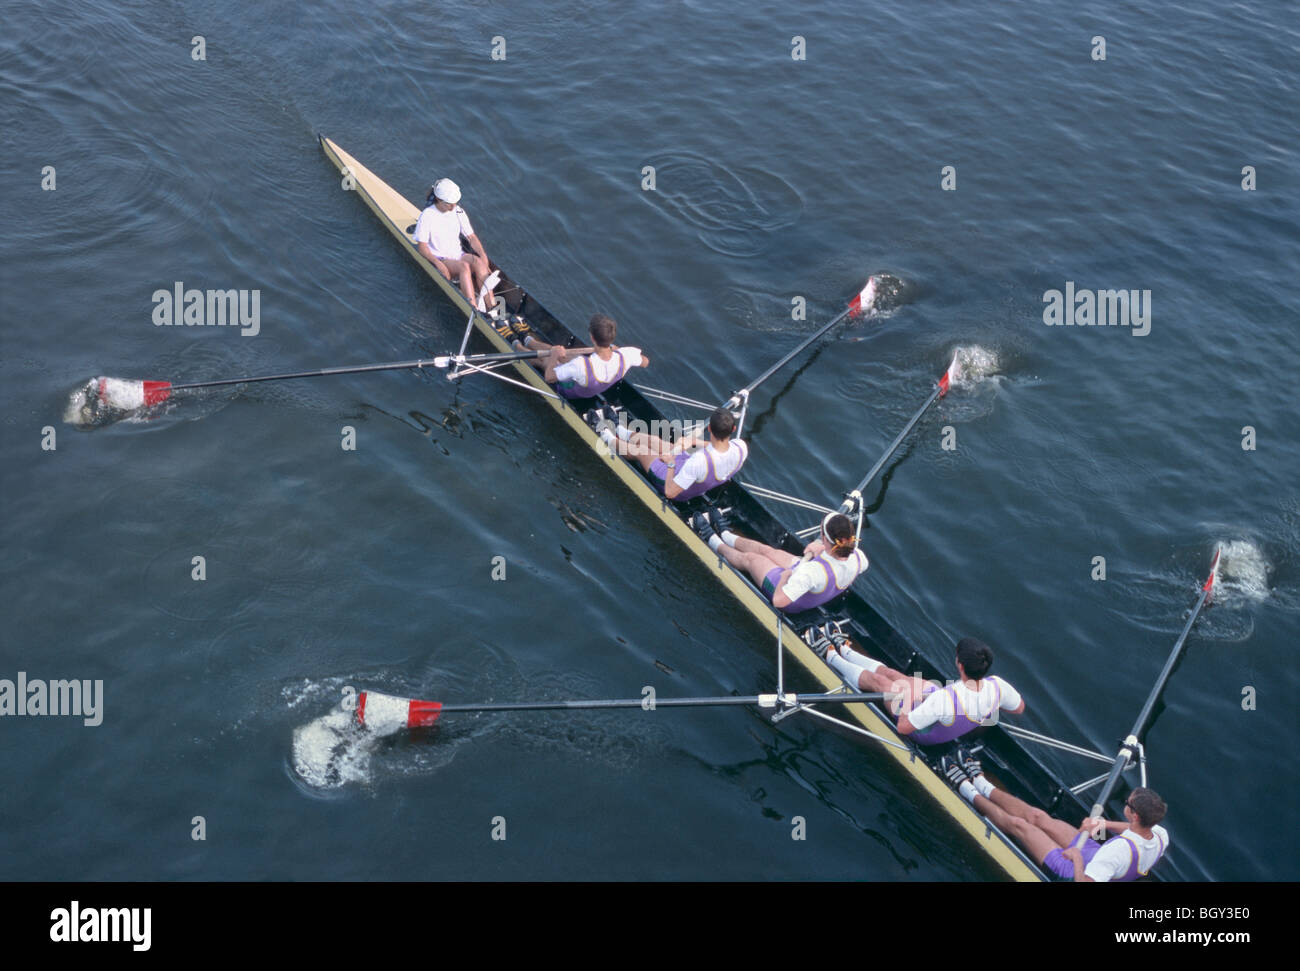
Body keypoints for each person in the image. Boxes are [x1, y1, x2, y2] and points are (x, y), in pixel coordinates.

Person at [945, 750, 1170, 881]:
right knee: (1039, 817)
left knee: (1021, 826)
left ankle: (966, 787)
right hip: (1097, 854)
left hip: (1075, 872)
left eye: (1127, 803)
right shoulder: (1160, 833)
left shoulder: (1115, 852)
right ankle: (982, 782)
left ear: (1136, 816)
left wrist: (1077, 858)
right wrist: (1103, 823)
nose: (1125, 803)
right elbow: (1130, 830)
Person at [814, 632, 1023, 742]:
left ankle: (830, 655)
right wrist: (989, 706)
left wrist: (910, 700)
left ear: (959, 664)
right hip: (948, 711)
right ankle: (845, 650)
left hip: (926, 734)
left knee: (883, 683)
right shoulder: (998, 686)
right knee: (895, 675)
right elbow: (1018, 708)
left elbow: (903, 728)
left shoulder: (944, 699)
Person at [701, 512, 867, 613]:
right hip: (808, 572)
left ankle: (714, 541)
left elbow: (779, 601)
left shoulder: (812, 573)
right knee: (768, 551)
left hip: (790, 598)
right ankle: (726, 535)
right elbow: (840, 565)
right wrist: (823, 550)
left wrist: (785, 577)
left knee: (752, 559)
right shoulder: (859, 557)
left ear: (824, 538)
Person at [601, 406, 747, 502]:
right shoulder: (741, 447)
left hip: (677, 489)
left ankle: (605, 435)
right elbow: (718, 446)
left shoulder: (699, 460)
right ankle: (621, 430)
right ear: (733, 429)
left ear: (709, 428)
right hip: (694, 472)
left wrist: (670, 463)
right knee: (655, 441)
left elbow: (670, 493)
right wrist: (694, 442)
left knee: (642, 452)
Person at [505, 313, 648, 399]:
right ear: (612, 338)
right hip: (591, 385)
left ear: (592, 338)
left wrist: (554, 356)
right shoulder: (626, 355)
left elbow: (549, 378)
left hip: (568, 391)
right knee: (562, 354)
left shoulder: (580, 364)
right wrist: (617, 350)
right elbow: (645, 362)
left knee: (548, 359)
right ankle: (527, 339)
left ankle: (516, 343)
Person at [413, 178, 499, 315]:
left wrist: (483, 255)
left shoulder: (458, 211)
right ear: (439, 200)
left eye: (455, 203)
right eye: (449, 204)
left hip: (459, 255)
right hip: (442, 259)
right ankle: (473, 308)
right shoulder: (427, 216)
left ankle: (493, 308)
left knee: (478, 261)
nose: (453, 207)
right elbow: (422, 247)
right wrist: (437, 263)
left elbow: (471, 237)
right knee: (464, 267)